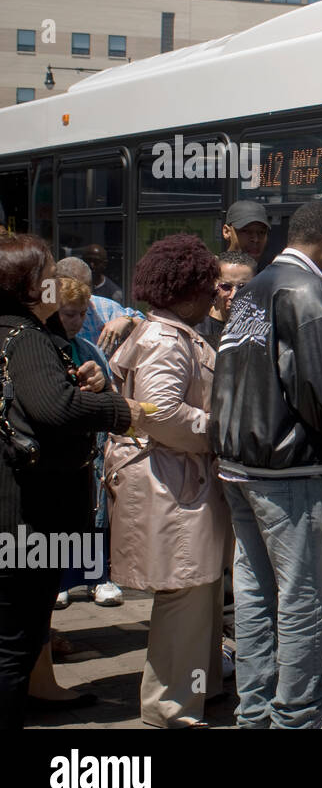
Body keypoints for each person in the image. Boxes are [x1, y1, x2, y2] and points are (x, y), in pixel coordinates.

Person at [209, 201, 322, 729]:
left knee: (254, 596)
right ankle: (297, 712)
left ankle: (255, 709)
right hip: (284, 465)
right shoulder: (306, 289)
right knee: (300, 598)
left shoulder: (253, 286)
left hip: (238, 462)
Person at [0, 234, 144, 729]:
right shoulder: (25, 337)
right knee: (14, 641)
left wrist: (85, 382)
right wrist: (118, 410)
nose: (53, 289)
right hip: (25, 516)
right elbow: (53, 408)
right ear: (27, 287)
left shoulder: (25, 334)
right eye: (45, 279)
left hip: (26, 513)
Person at [102, 235, 231, 728]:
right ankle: (171, 711)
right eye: (209, 285)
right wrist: (218, 429)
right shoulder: (165, 340)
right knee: (185, 599)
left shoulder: (160, 332)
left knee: (195, 598)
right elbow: (160, 414)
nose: (215, 295)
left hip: (178, 482)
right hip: (175, 487)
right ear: (188, 287)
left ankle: (194, 695)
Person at [54, 277, 121, 608]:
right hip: (55, 450)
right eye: (69, 314)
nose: (76, 321)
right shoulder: (40, 345)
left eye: (81, 314)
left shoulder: (89, 348)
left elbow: (111, 395)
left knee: (94, 515)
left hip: (90, 449)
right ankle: (61, 581)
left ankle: (98, 578)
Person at [55, 256, 141, 353]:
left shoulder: (106, 309)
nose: (78, 321)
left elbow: (150, 328)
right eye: (70, 314)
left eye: (83, 313)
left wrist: (129, 321)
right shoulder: (43, 313)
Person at [195, 251, 256, 347]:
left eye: (243, 287)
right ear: (213, 285)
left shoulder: (261, 333)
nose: (233, 295)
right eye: (226, 287)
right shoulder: (197, 331)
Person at [221, 201, 271, 267]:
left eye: (262, 232)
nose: (255, 239)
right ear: (227, 232)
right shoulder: (211, 274)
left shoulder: (272, 275)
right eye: (246, 231)